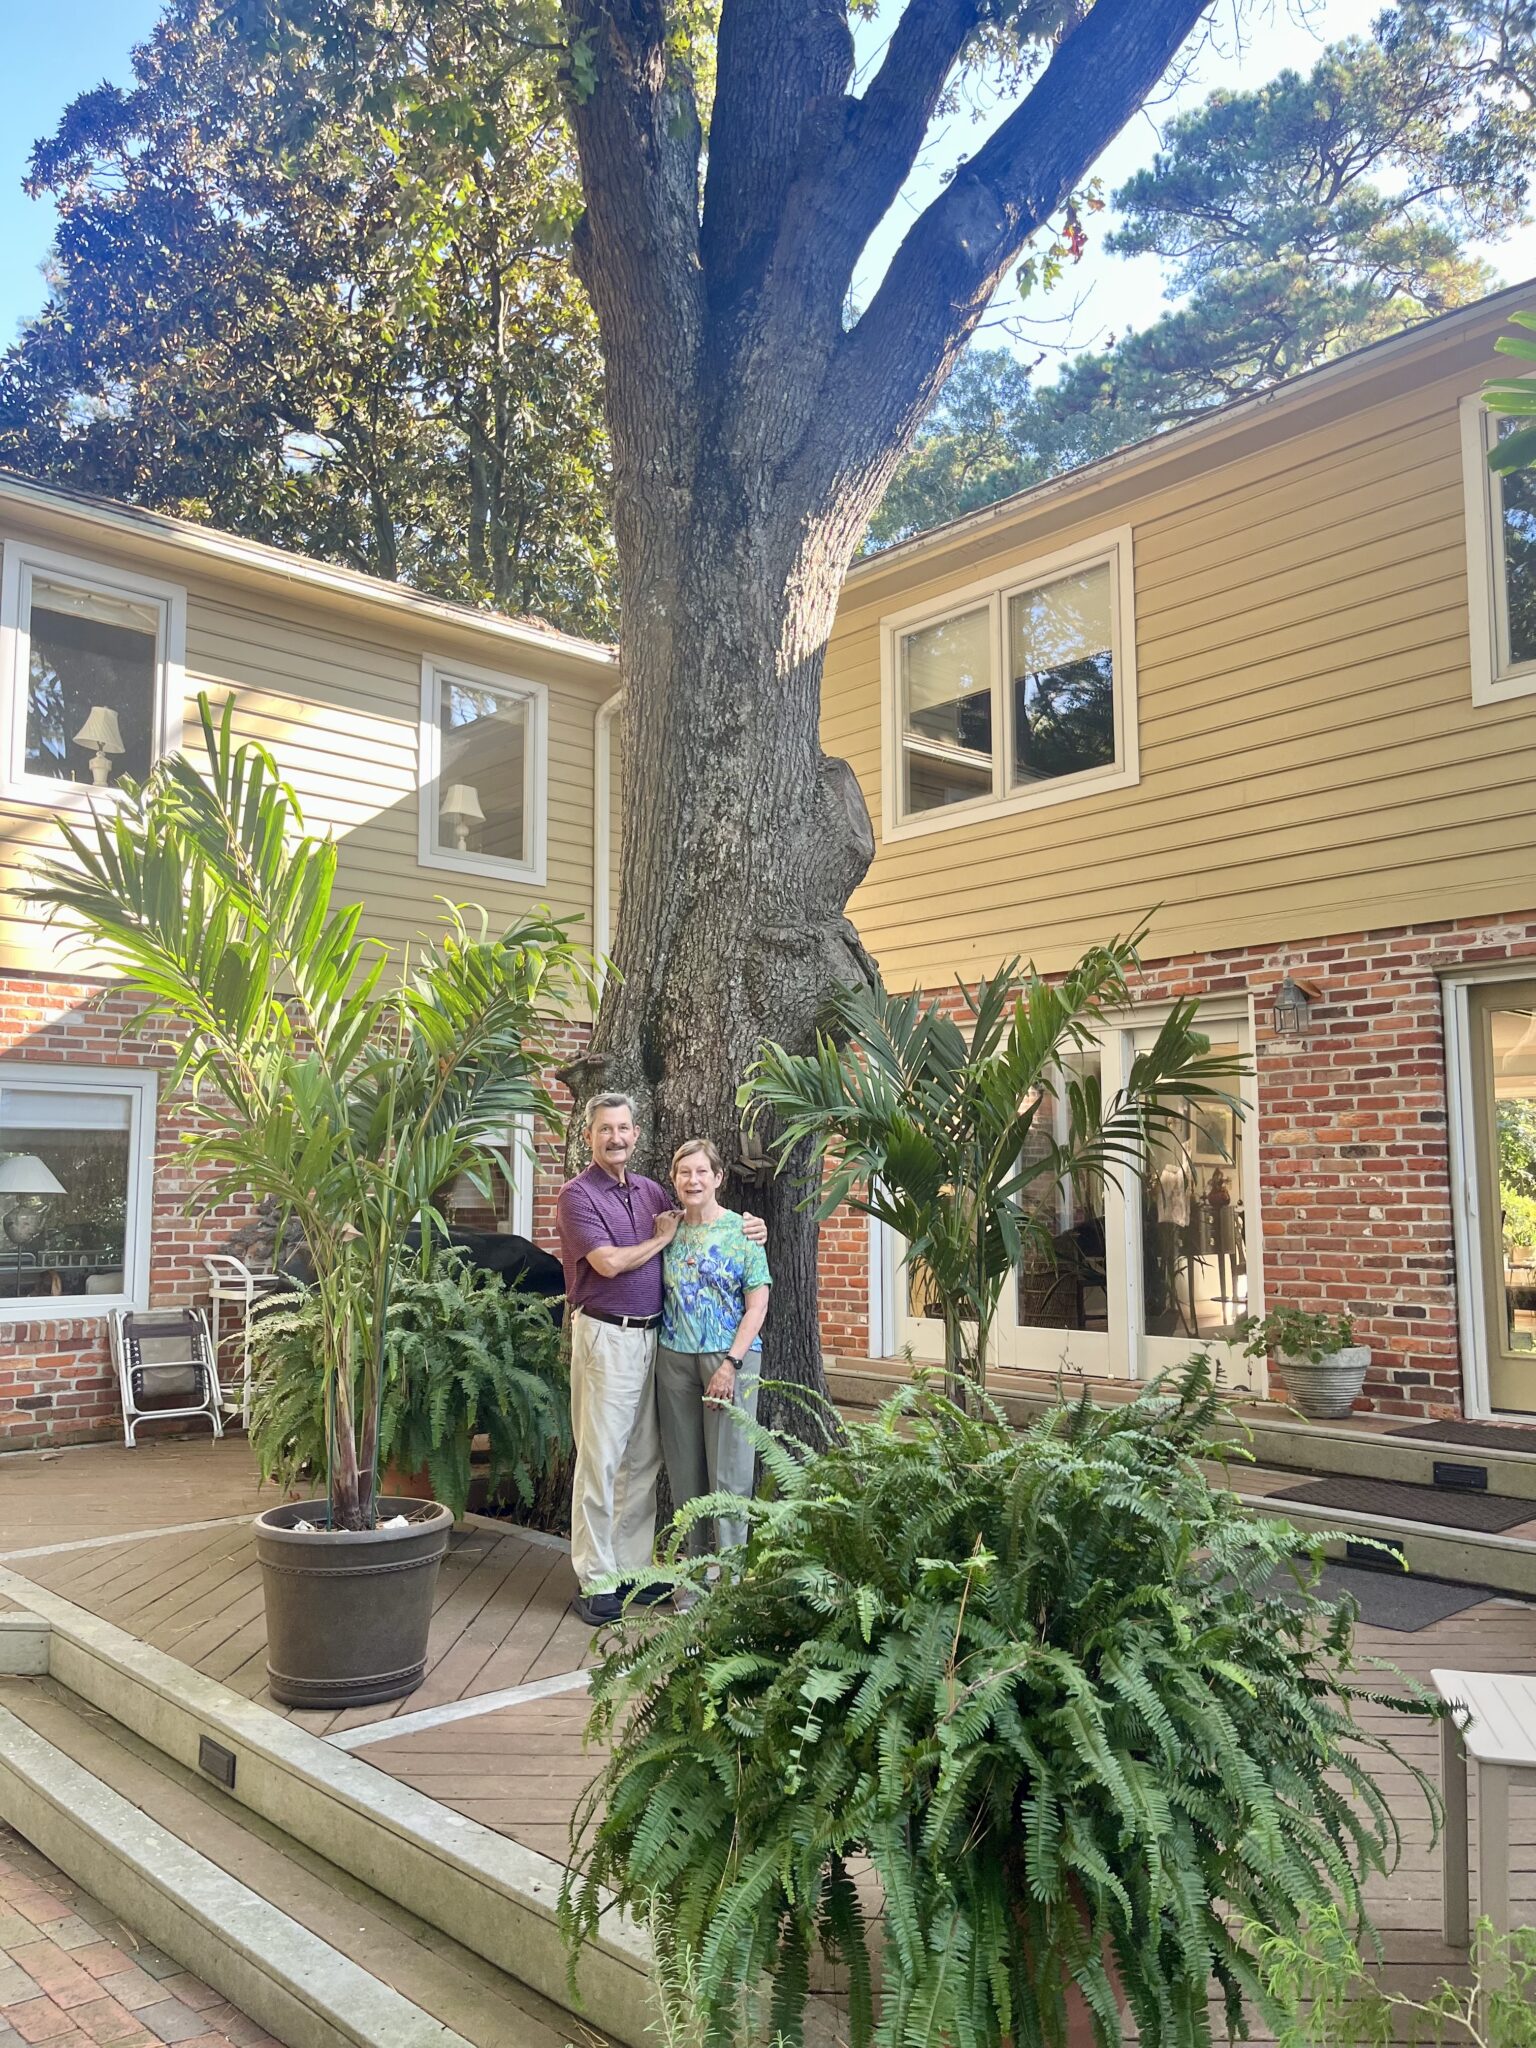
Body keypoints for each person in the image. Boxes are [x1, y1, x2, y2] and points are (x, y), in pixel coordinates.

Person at [555, 1093, 765, 1626]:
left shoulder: (650, 1192)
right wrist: (660, 1239)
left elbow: (701, 1223)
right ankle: (596, 1579)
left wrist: (751, 1224)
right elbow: (606, 1265)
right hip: (607, 1337)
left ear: (636, 1133)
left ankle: (629, 1571)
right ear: (589, 1137)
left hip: (655, 1341)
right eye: (605, 1130)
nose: (616, 1138)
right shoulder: (576, 1196)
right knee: (601, 1460)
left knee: (642, 1460)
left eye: (623, 1128)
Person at [656, 1139, 771, 1558]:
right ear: (674, 1180)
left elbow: (758, 1305)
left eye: (702, 1171)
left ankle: (731, 1579)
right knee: (685, 1472)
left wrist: (731, 1364)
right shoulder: (665, 1230)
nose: (693, 1179)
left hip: (730, 1359)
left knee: (730, 1473)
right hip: (673, 1360)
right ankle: (696, 1572)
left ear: (718, 1177)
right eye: (684, 1172)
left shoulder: (743, 1231)